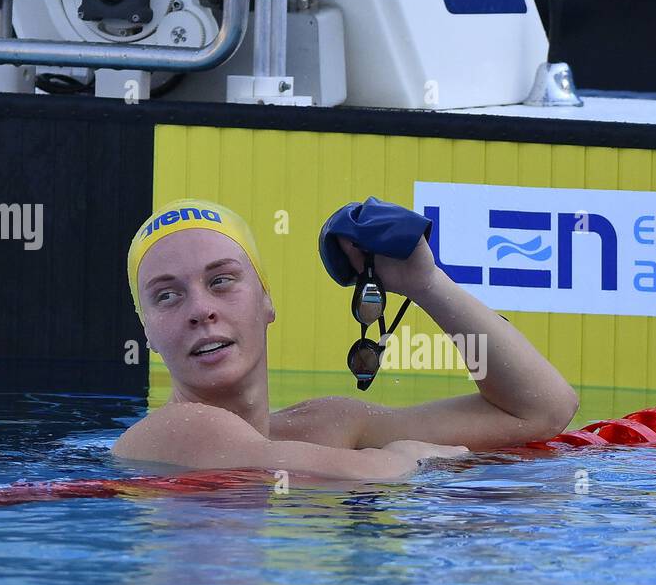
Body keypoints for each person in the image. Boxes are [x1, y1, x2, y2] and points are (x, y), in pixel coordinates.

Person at [112, 199, 579, 480]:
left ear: (267, 303)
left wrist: (426, 284)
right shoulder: (172, 430)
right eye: (168, 296)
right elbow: (333, 474)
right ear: (147, 332)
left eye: (221, 281)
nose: (201, 310)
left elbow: (540, 411)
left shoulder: (330, 425)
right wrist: (405, 458)